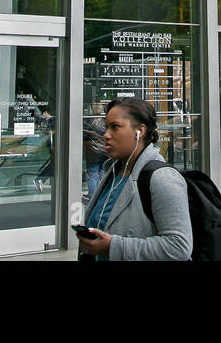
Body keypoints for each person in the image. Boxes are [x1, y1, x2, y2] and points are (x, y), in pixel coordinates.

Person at [76, 97, 192, 261]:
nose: (106, 135)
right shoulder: (114, 172)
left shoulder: (162, 178)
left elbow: (178, 247)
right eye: (106, 127)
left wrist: (113, 246)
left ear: (140, 131)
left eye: (115, 127)